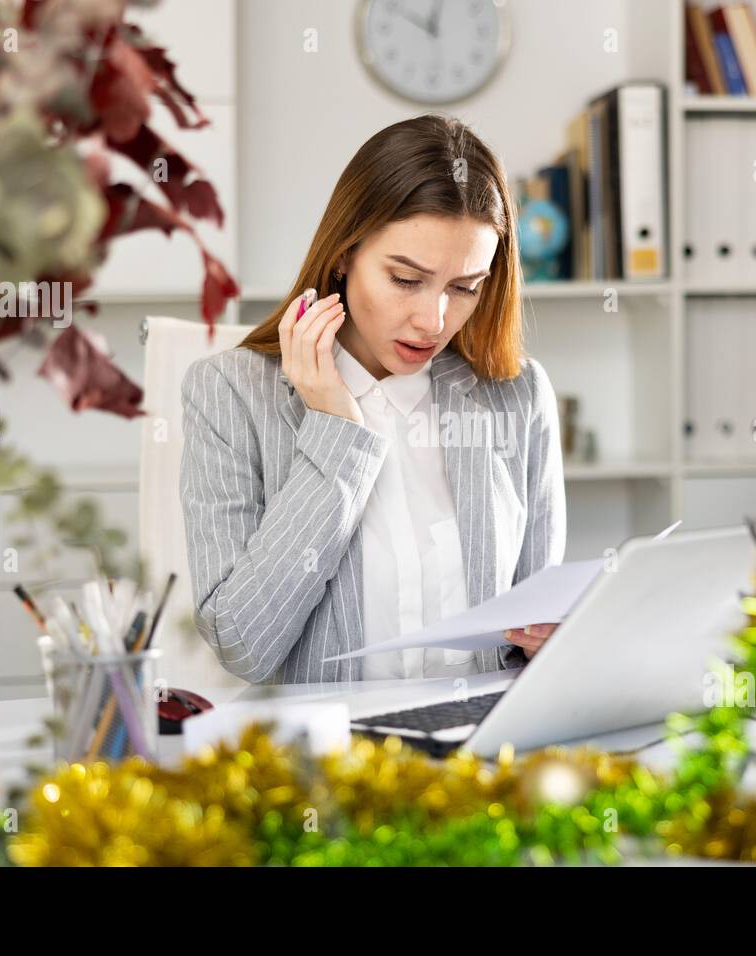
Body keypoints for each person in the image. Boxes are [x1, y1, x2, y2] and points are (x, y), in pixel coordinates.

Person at [180, 113, 565, 684]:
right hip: (336, 762)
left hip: (483, 749)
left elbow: (536, 625)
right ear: (344, 254)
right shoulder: (231, 393)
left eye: (464, 288)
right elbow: (243, 645)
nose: (433, 321)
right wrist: (337, 434)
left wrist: (553, 641)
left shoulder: (518, 395)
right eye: (406, 280)